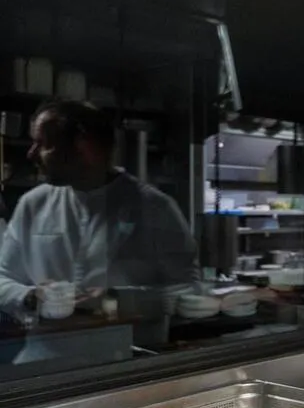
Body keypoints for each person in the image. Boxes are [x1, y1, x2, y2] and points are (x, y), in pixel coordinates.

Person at [0, 99, 198, 362]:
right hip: (42, 363)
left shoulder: (153, 207)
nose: (31, 154)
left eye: (44, 144)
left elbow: (189, 289)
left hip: (124, 364)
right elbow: (2, 277)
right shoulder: (33, 204)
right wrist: (29, 297)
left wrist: (116, 298)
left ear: (85, 146)